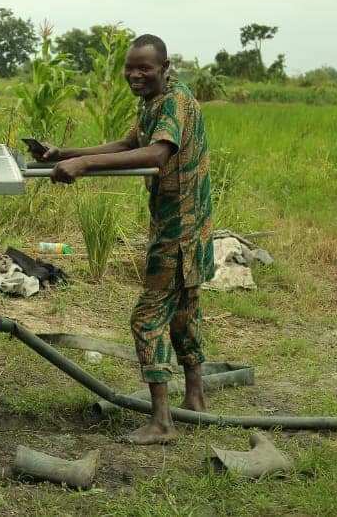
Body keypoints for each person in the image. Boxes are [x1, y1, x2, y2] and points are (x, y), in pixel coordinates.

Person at [30, 34, 215, 444]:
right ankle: (197, 399)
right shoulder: (152, 100)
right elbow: (130, 144)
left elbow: (156, 155)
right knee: (184, 310)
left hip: (181, 228)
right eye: (130, 67)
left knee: (146, 318)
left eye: (144, 68)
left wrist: (86, 164)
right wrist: (64, 154)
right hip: (182, 222)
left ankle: (162, 423)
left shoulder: (174, 102)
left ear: (165, 68)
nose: (134, 74)